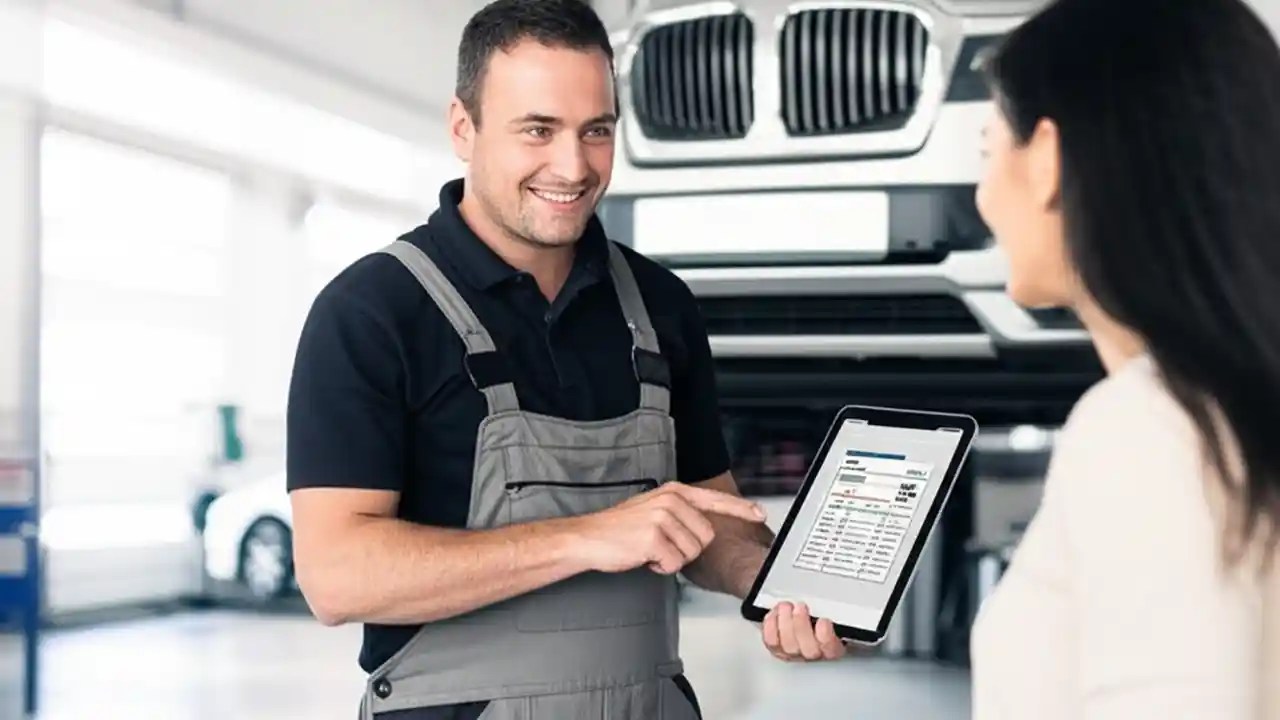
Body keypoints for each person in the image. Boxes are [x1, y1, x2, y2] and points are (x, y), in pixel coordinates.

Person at [285, 2, 845, 718]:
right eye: (538, 130)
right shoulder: (372, 311)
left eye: (597, 131)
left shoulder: (659, 304)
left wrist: (782, 581)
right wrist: (587, 537)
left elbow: (709, 520)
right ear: (464, 128)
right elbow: (336, 577)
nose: (574, 166)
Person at [968, 0, 1280, 717]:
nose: (984, 196)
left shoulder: (1150, 426)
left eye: (989, 150)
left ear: (1045, 160)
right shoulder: (1226, 407)